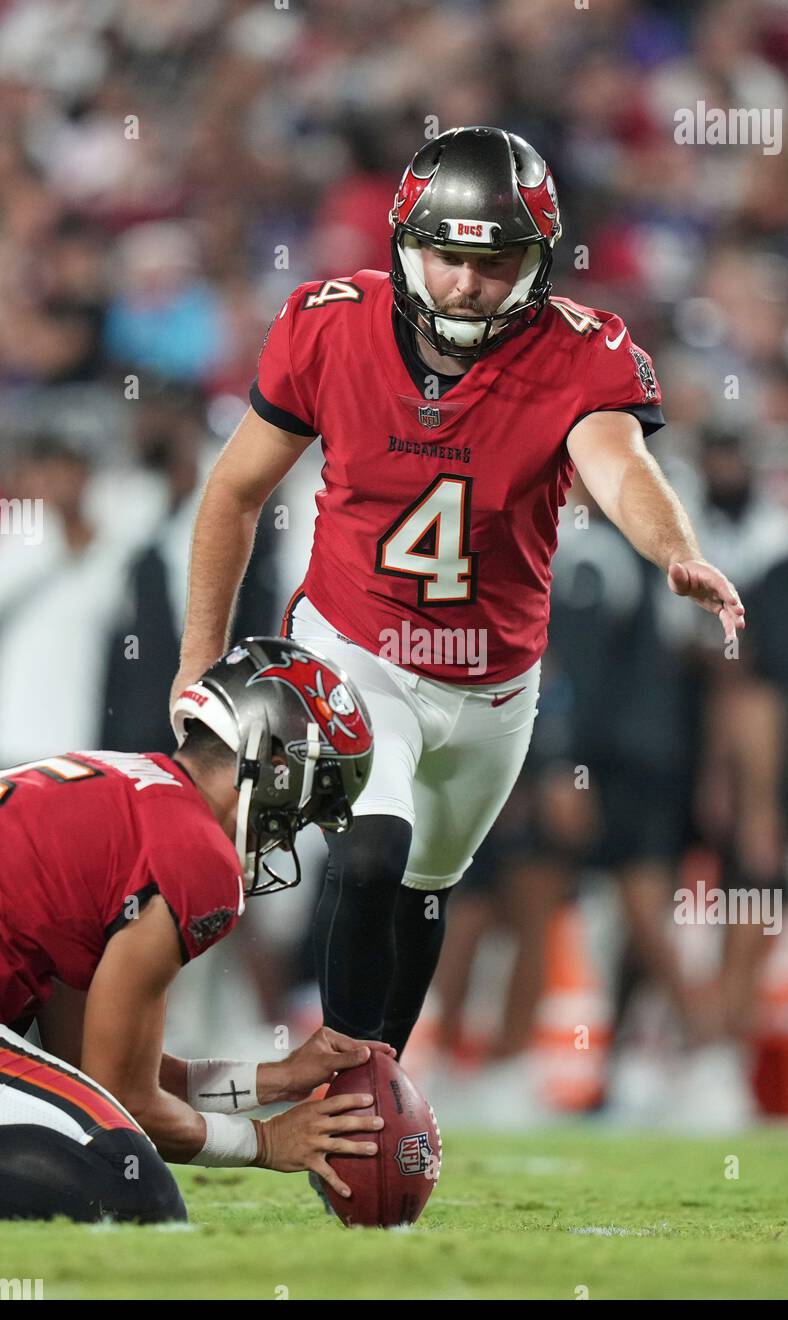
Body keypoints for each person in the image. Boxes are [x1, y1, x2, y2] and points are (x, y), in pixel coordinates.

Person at [171, 126, 744, 1061]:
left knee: (427, 888)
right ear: (405, 244)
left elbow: (620, 464)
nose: (468, 285)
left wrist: (673, 548)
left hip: (494, 682)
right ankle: (345, 1092)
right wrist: (198, 666)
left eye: (497, 260)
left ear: (538, 262)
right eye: (447, 256)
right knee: (372, 849)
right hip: (357, 644)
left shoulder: (579, 352)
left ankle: (377, 1091)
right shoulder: (329, 324)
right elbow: (234, 492)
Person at [0, 636, 390, 1222]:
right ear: (278, 768)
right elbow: (126, 1101)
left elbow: (93, 1063)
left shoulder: (131, 790)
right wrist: (266, 1142)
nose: (292, 831)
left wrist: (273, 1080)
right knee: (130, 1191)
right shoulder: (194, 854)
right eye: (307, 809)